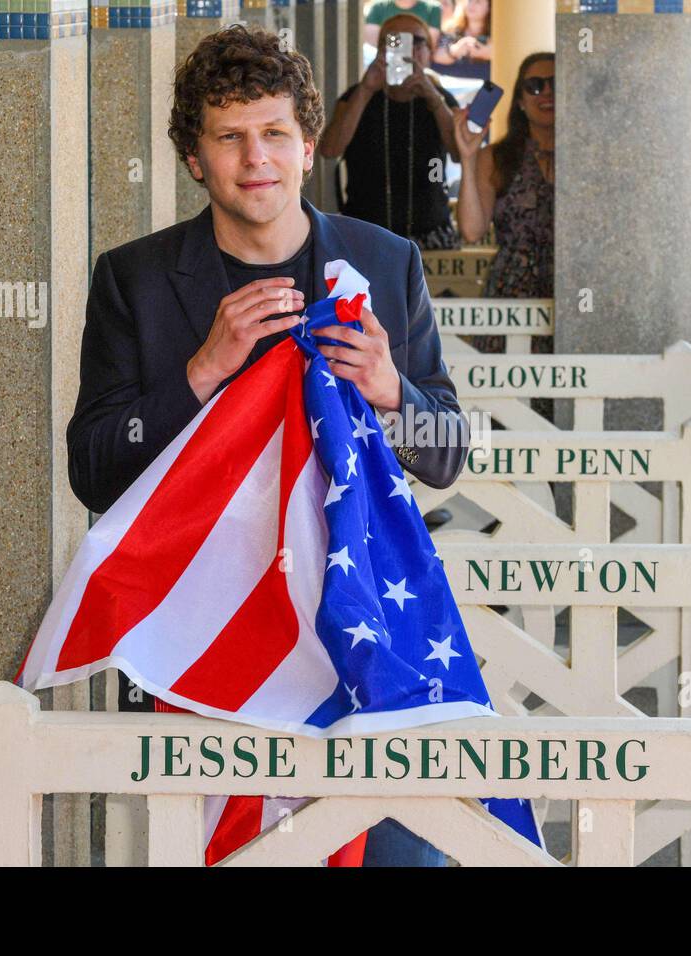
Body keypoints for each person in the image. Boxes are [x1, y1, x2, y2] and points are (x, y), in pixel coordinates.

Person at [68, 24, 465, 866]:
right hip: (204, 640)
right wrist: (201, 371)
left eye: (275, 133)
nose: (257, 159)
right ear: (194, 159)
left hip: (361, 633)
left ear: (309, 145)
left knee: (404, 855)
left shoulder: (383, 262)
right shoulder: (133, 280)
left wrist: (392, 391)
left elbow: (445, 452)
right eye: (230, 138)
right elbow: (95, 467)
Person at [320, 14, 462, 250]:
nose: (409, 49)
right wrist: (366, 90)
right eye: (394, 40)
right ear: (380, 50)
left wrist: (432, 97)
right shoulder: (356, 96)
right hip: (364, 232)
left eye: (416, 41)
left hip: (430, 233)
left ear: (428, 51)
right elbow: (330, 149)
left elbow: (459, 153)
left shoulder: (441, 99)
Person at [452, 53, 555, 351]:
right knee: (509, 392)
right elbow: (472, 231)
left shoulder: (586, 155)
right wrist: (469, 157)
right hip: (511, 293)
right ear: (520, 101)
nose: (546, 92)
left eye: (555, 84)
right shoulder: (497, 158)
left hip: (572, 291)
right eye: (535, 86)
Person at [433, 0, 493, 67]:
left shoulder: (497, 34)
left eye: (478, 1)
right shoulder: (451, 30)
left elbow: (503, 55)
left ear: (490, 8)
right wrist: (455, 50)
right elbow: (436, 56)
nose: (472, 4)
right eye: (469, 1)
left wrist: (484, 52)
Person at [363, 0, 442, 48]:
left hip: (418, 66)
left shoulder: (432, 9)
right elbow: (372, 43)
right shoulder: (378, 7)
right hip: (384, 64)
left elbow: (429, 44)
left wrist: (390, 40)